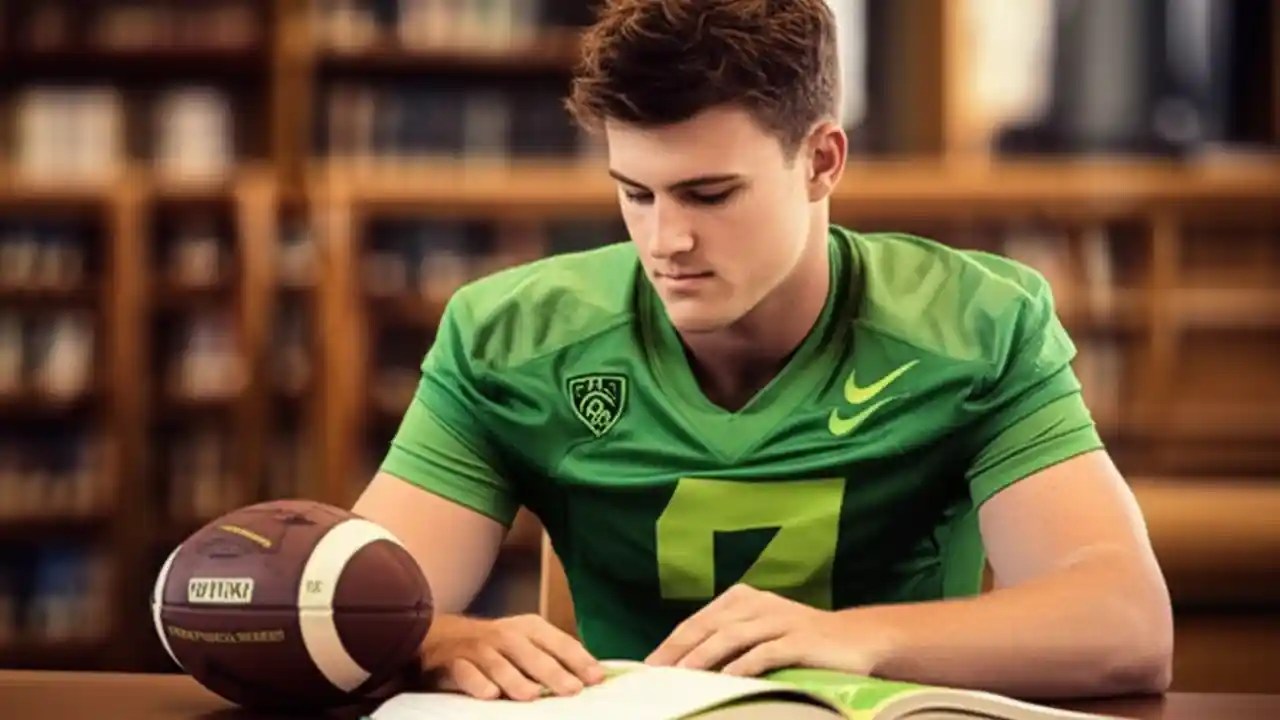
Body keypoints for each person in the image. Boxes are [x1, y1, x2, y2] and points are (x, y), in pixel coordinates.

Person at [353, 0, 1174, 705]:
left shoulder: (978, 325)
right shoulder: (510, 338)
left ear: (822, 160)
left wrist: (856, 640)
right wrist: (436, 638)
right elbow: (335, 604)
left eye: (710, 194)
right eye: (634, 192)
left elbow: (1127, 623)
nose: (665, 240)